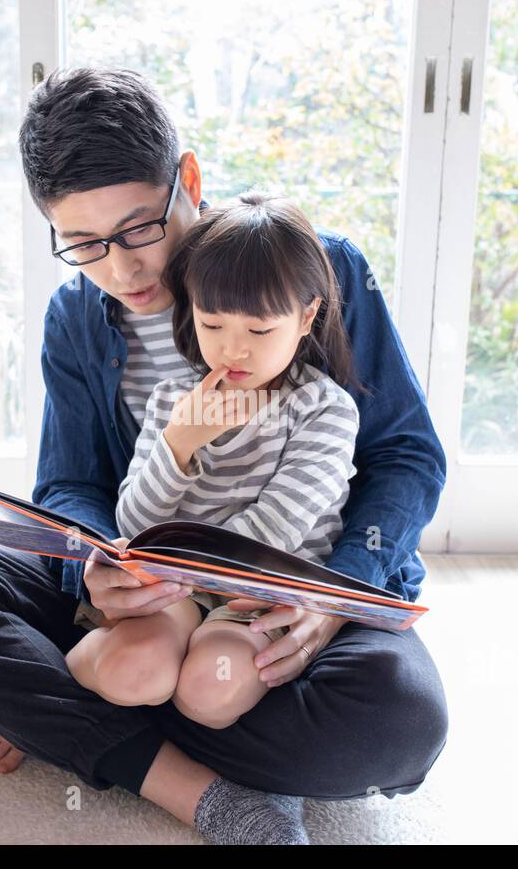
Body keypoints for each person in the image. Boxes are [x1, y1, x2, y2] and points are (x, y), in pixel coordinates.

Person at [0, 66, 450, 845]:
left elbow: (407, 455)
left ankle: (48, 706)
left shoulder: (312, 264)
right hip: (143, 591)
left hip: (292, 591)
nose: (122, 269)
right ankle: (205, 792)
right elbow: (71, 485)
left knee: (400, 723)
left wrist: (334, 596)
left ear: (190, 180)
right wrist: (94, 573)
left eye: (140, 228)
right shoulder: (76, 319)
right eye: (82, 243)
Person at [64, 192, 361, 732]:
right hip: (174, 588)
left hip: (257, 592)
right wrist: (179, 443)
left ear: (306, 315)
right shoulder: (174, 401)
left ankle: (136, 728)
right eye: (213, 323)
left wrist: (183, 568)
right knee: (135, 671)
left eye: (260, 330)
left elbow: (274, 532)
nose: (234, 351)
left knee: (210, 686)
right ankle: (54, 684)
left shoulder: (326, 411)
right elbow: (133, 526)